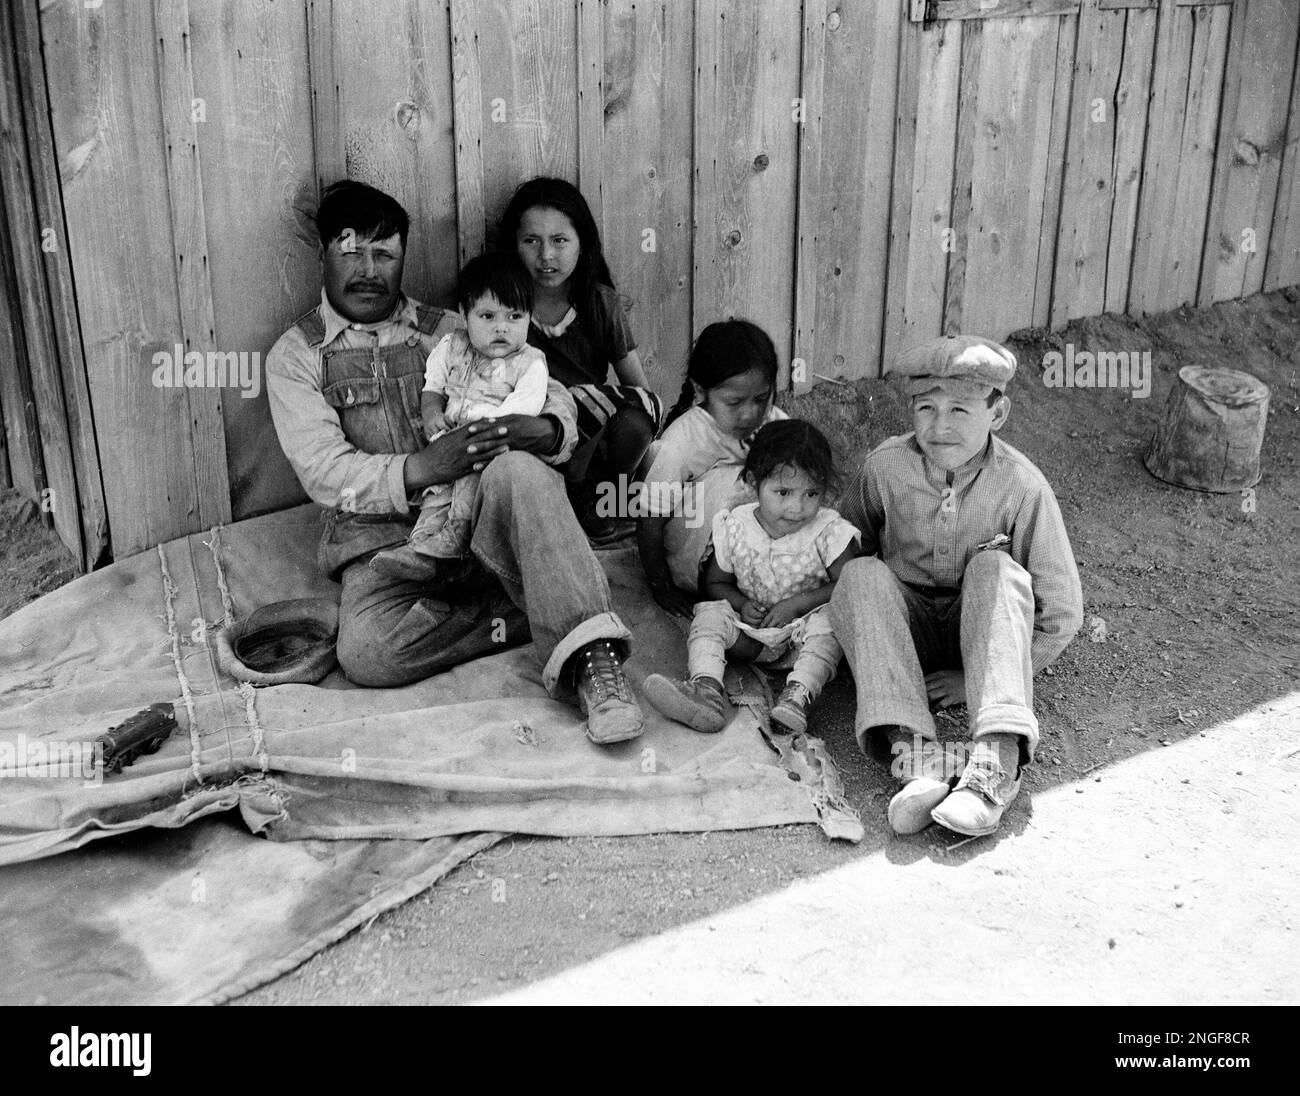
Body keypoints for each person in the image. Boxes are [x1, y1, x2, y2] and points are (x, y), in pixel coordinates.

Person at [265, 180, 645, 745]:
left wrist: (547, 429)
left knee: (519, 468)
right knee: (366, 653)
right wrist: (424, 467)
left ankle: (594, 664)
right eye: (350, 251)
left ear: (402, 258)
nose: (368, 269)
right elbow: (326, 472)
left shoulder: (449, 328)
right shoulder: (297, 355)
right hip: (385, 548)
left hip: (477, 528)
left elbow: (542, 381)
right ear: (323, 253)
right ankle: (544, 604)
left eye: (384, 253)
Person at [829, 334, 1083, 837]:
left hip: (983, 641)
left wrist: (973, 677)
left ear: (998, 413)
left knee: (995, 569)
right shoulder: (886, 466)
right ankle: (916, 756)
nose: (939, 426)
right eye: (926, 407)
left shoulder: (1022, 485)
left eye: (961, 410)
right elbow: (842, 540)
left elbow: (1061, 612)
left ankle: (994, 765)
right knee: (859, 574)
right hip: (907, 638)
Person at [642, 420, 859, 735]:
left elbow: (850, 585)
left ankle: (798, 697)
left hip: (803, 639)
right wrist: (742, 604)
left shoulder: (828, 530)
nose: (797, 507)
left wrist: (797, 605)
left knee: (830, 622)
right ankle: (705, 690)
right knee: (710, 614)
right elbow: (715, 584)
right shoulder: (736, 526)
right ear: (754, 482)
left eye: (811, 493)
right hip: (752, 638)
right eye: (783, 492)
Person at [498, 178, 664, 539]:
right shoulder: (500, 307)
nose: (546, 256)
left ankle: (609, 503)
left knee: (639, 417)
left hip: (591, 439)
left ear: (582, 244)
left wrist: (604, 410)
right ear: (513, 245)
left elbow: (639, 388)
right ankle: (569, 504)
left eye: (560, 240)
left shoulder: (601, 303)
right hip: (535, 436)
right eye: (531, 241)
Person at [370, 253, 548, 578]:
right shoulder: (452, 345)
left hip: (492, 447)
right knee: (436, 494)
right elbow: (433, 383)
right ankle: (420, 548)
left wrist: (485, 429)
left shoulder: (530, 363)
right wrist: (431, 411)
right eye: (488, 316)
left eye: (514, 317)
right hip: (448, 443)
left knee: (466, 489)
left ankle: (454, 543)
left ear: (529, 318)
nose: (501, 328)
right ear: (464, 315)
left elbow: (525, 406)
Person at [636, 319, 788, 618]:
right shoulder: (680, 443)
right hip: (697, 557)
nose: (750, 413)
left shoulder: (774, 423)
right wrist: (661, 587)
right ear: (700, 390)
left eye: (761, 399)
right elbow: (649, 521)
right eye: (734, 402)